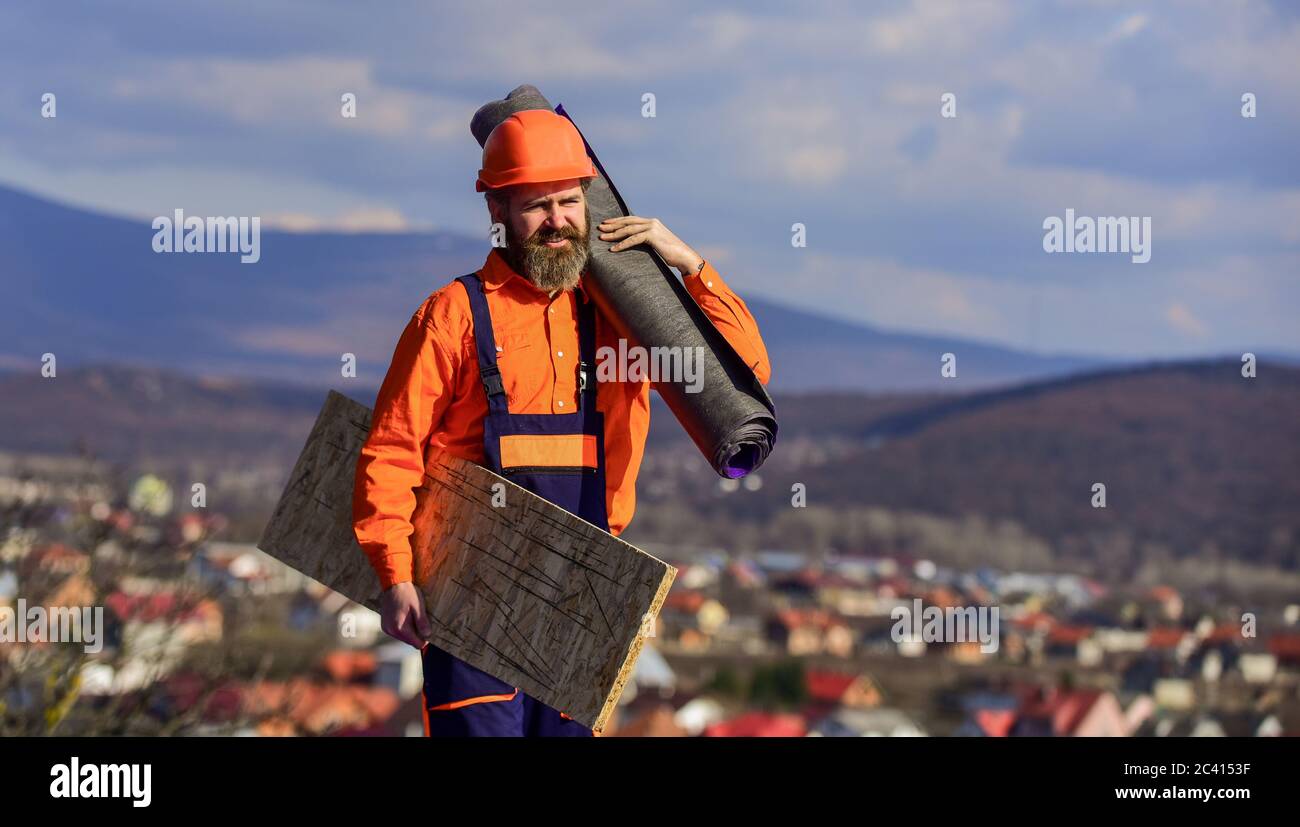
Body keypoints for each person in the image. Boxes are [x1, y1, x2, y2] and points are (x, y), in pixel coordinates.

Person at [352, 108, 771, 736]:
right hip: (467, 593)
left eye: (569, 202)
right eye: (536, 206)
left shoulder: (622, 322)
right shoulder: (451, 317)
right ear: (497, 211)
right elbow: (392, 452)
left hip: (584, 595)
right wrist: (395, 574)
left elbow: (743, 373)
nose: (557, 222)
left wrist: (687, 265)